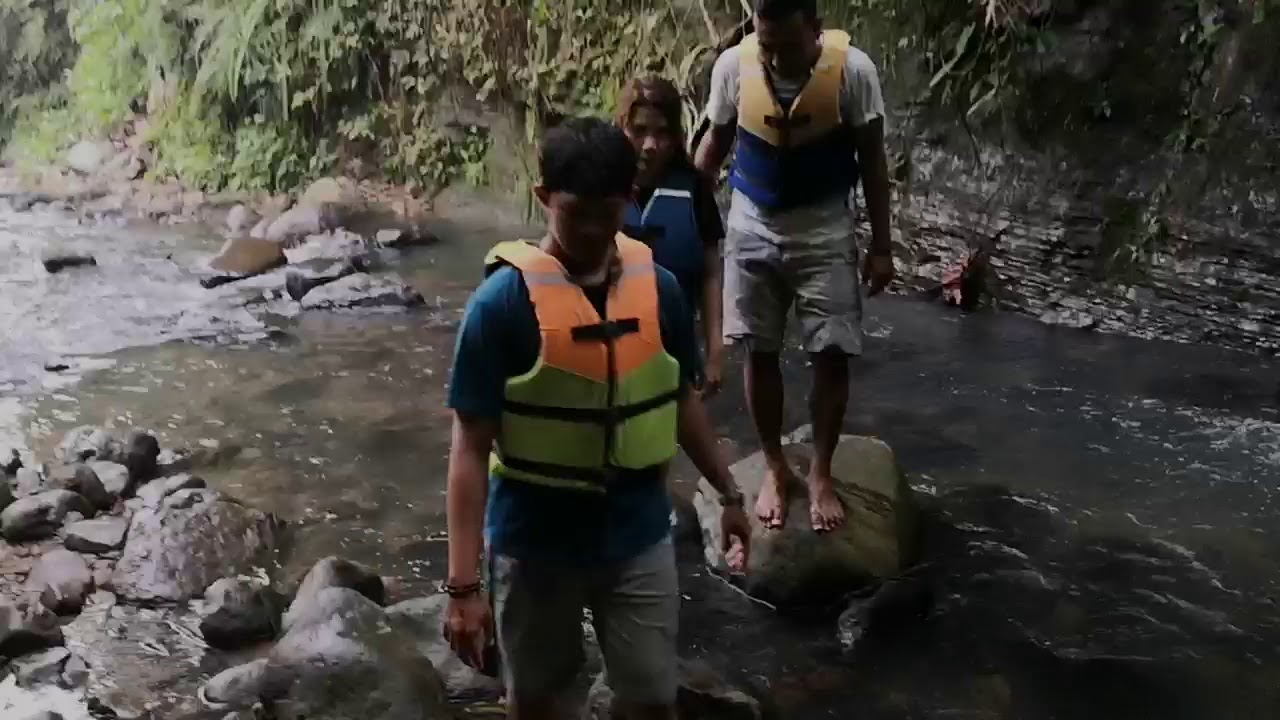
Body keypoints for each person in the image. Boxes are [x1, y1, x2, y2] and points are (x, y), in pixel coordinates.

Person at [443, 116, 752, 720]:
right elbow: (470, 447)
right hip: (534, 542)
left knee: (650, 700)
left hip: (636, 532)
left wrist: (728, 490)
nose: (589, 230)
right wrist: (462, 588)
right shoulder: (501, 306)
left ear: (629, 200)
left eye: (605, 213)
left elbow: (679, 399)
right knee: (536, 702)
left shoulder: (659, 290)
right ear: (542, 200)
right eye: (571, 212)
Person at [695, 0, 895, 532]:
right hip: (751, 225)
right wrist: (685, 219)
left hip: (824, 228)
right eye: (767, 45)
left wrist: (882, 246)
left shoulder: (854, 73)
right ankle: (775, 465)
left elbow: (873, 161)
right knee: (757, 350)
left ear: (815, 31)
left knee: (832, 352)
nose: (776, 58)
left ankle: (823, 471)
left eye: (788, 45)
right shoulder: (733, 68)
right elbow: (712, 149)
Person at [616, 76, 727, 396]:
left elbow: (710, 273)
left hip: (675, 347)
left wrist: (715, 349)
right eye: (639, 131)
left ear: (676, 135)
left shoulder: (693, 188)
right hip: (611, 346)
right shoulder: (600, 188)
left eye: (662, 133)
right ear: (621, 128)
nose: (651, 145)